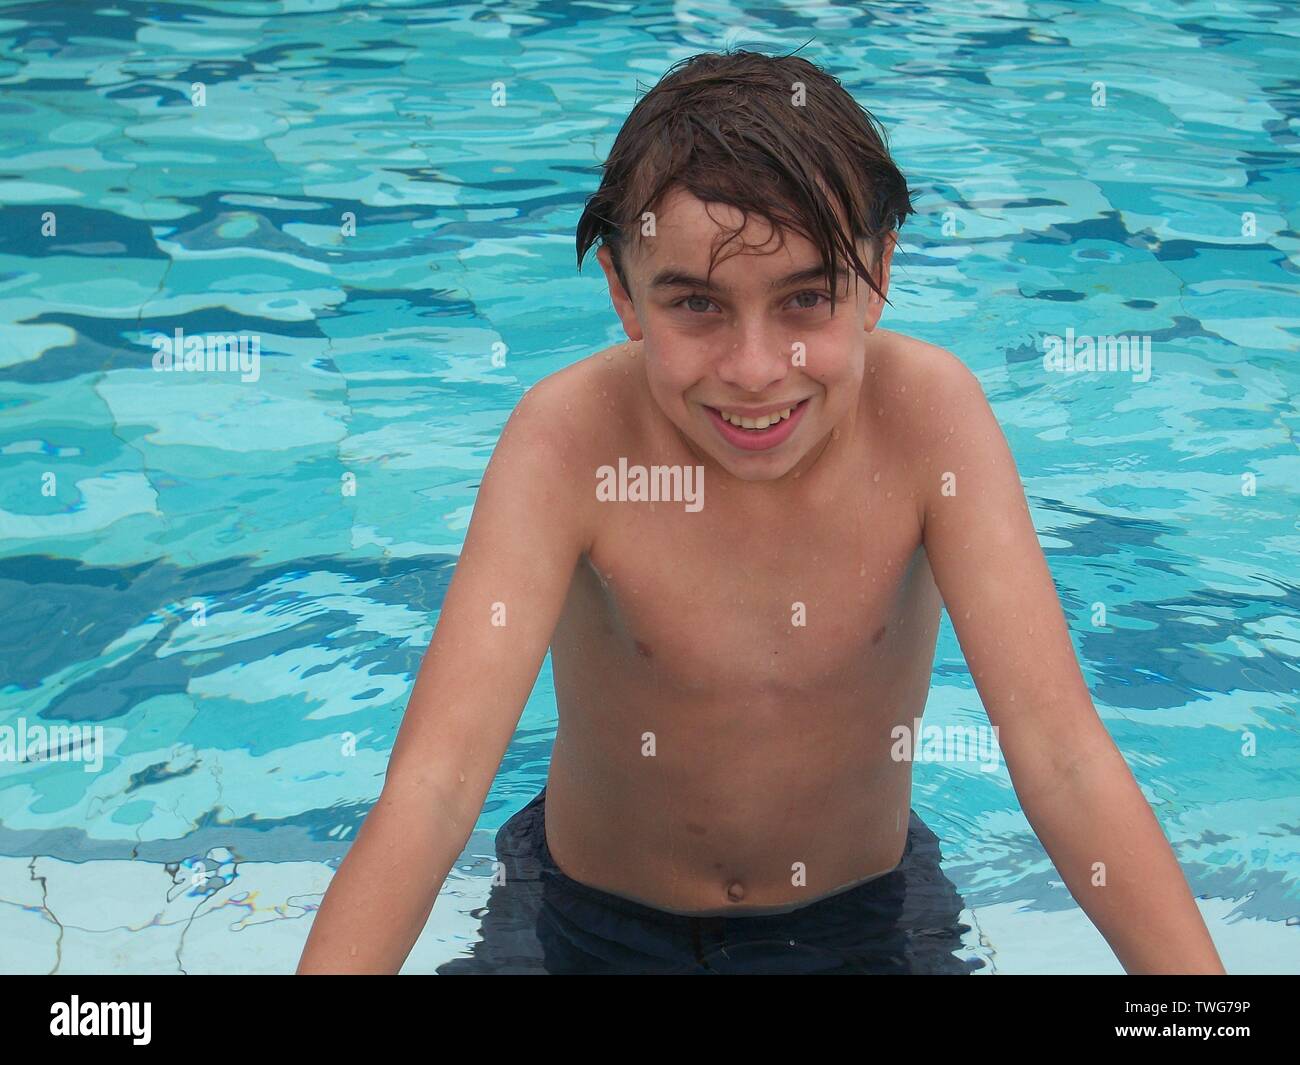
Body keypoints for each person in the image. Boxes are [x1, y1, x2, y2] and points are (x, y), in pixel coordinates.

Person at [297, 48, 1225, 975]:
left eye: (807, 299)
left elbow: (1061, 754)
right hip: (586, 920)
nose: (754, 368)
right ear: (623, 292)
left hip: (862, 920)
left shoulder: (930, 422)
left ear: (879, 274)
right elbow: (433, 787)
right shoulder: (568, 441)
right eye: (697, 303)